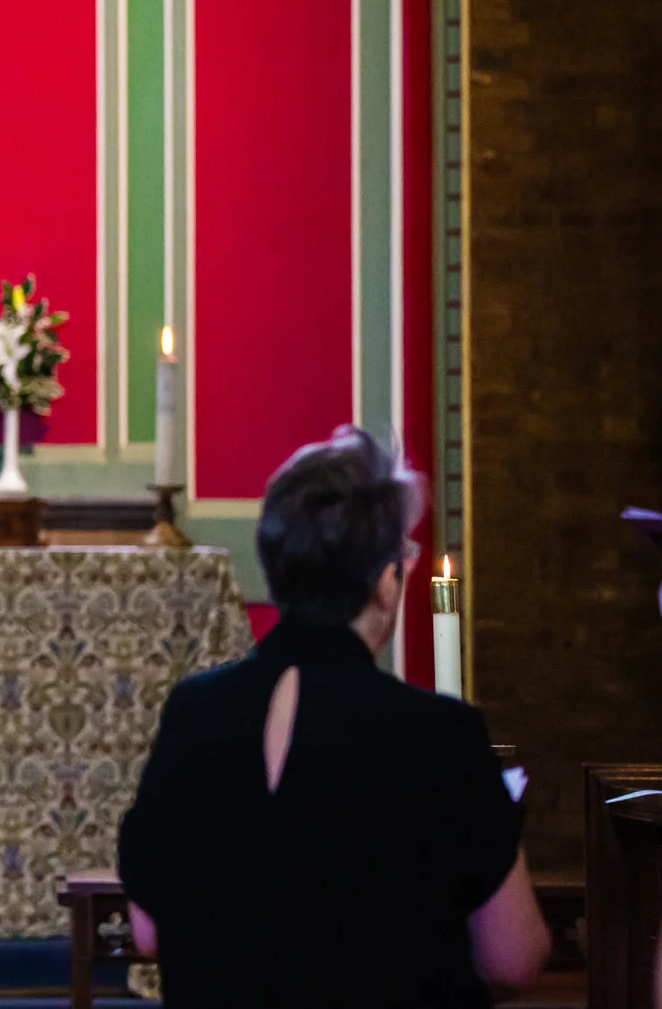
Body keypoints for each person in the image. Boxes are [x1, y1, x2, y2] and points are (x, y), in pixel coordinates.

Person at [117, 425, 550, 1008]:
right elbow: (514, 958)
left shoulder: (194, 713)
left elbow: (148, 932)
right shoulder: (439, 734)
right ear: (383, 581)